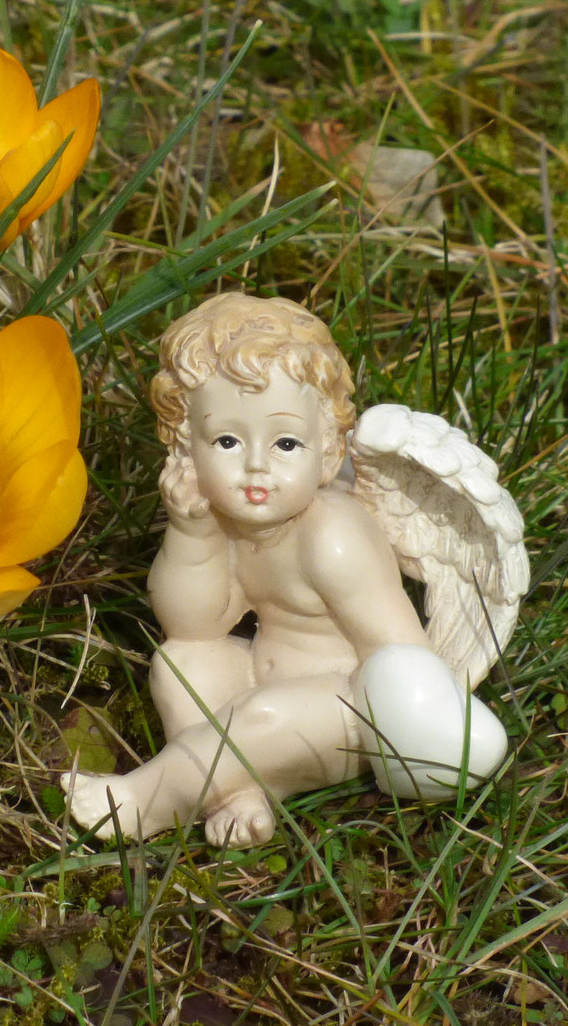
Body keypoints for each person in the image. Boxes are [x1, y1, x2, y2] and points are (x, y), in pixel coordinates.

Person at [63, 294, 441, 847]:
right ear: (185, 447)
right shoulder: (232, 521)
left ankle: (144, 802)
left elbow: (402, 658)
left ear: (331, 451)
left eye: (287, 442)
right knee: (180, 662)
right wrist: (191, 533)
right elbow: (195, 624)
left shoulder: (333, 536)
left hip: (349, 713)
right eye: (227, 441)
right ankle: (238, 794)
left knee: (262, 713)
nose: (256, 465)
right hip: (259, 690)